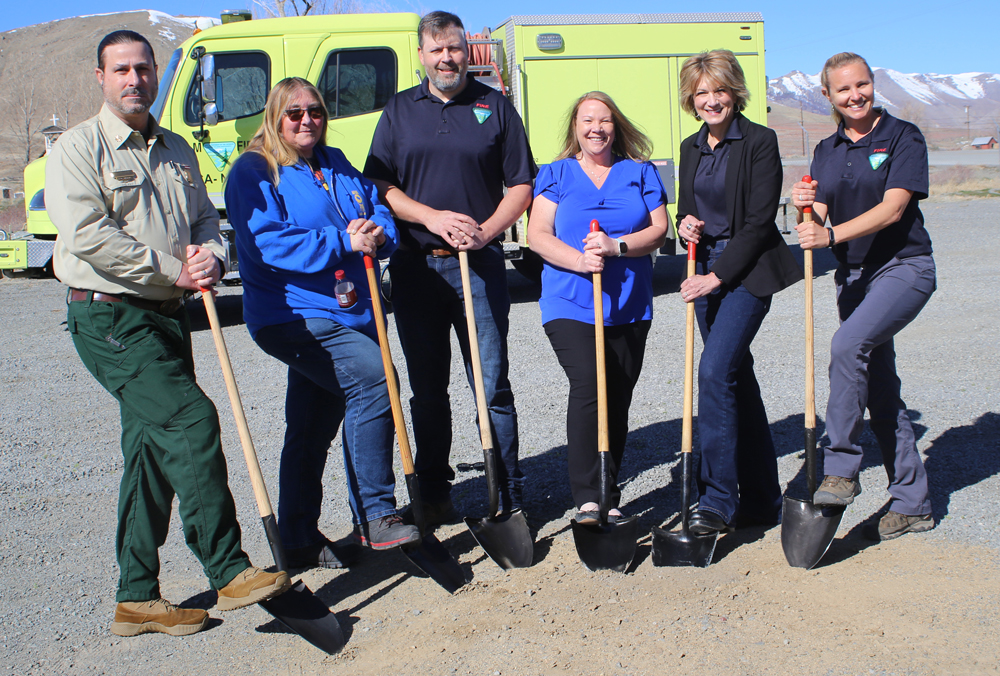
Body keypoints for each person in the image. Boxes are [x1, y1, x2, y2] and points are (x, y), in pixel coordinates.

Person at [46, 30, 289, 638]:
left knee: (151, 453)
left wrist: (209, 256)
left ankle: (136, 599)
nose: (134, 80)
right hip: (109, 316)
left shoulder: (177, 147)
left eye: (142, 69)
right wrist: (172, 269)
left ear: (156, 74)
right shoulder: (78, 149)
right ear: (100, 78)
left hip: (167, 314)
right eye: (120, 70)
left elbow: (206, 220)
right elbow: (88, 236)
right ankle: (229, 569)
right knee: (189, 421)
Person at [224, 78, 420, 558]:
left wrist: (376, 231)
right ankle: (376, 514)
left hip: (350, 308)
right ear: (274, 117)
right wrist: (342, 241)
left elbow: (376, 211)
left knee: (314, 420)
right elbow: (267, 242)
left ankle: (297, 538)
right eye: (294, 114)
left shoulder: (334, 163)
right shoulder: (255, 170)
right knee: (375, 380)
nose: (307, 120)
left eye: (315, 111)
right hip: (293, 315)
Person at [363, 11, 536, 523]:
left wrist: (486, 231)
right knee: (427, 389)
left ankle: (506, 491)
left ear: (469, 51)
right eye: (436, 49)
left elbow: (522, 185)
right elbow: (382, 187)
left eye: (455, 48)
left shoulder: (495, 106)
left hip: (478, 267)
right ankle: (435, 493)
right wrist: (433, 218)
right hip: (416, 268)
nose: (447, 58)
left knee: (491, 383)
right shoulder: (398, 111)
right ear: (421, 54)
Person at [793, 52, 936, 541]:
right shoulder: (827, 149)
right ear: (828, 96)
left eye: (863, 85)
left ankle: (840, 468)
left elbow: (894, 209)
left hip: (903, 269)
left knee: (845, 347)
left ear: (872, 85)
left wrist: (830, 238)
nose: (855, 96)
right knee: (879, 388)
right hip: (853, 277)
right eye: (844, 90)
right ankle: (913, 503)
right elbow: (818, 219)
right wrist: (807, 213)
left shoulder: (902, 136)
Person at [675, 50, 803, 535]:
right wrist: (682, 223)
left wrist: (717, 277)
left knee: (713, 371)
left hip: (745, 272)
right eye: (702, 93)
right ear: (692, 98)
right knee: (735, 380)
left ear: (735, 92)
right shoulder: (690, 147)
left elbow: (758, 222)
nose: (711, 100)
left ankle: (716, 503)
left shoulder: (760, 142)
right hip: (703, 266)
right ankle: (764, 499)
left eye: (720, 90)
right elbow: (688, 209)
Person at [526, 92, 668, 523]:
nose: (596, 129)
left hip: (628, 305)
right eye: (587, 120)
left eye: (604, 120)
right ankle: (588, 498)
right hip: (569, 301)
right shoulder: (556, 174)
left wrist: (617, 246)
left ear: (616, 125)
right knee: (590, 384)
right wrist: (578, 260)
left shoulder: (640, 173)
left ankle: (609, 489)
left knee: (618, 395)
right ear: (575, 127)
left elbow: (660, 230)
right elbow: (538, 233)